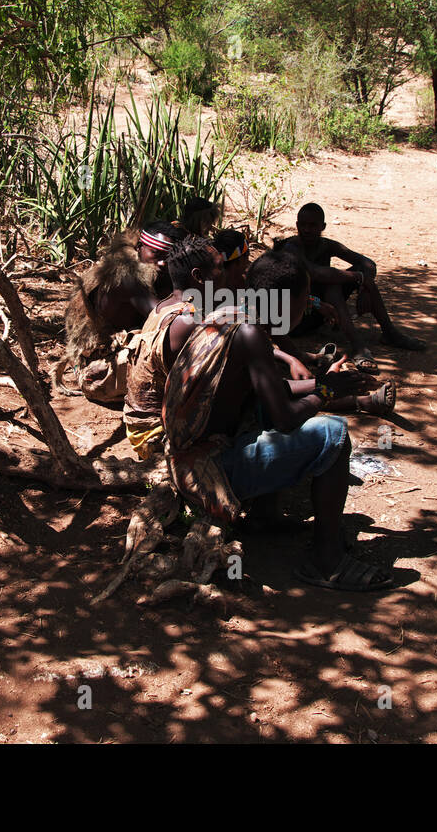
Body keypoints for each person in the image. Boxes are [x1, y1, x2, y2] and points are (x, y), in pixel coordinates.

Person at [161, 249, 396, 591]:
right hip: (207, 470)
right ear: (288, 304)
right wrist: (325, 394)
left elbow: (269, 390)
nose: (305, 309)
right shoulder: (250, 335)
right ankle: (327, 562)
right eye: (304, 301)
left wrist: (323, 385)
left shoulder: (229, 314)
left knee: (266, 407)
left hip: (190, 454)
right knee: (334, 434)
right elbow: (285, 419)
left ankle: (264, 518)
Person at [211, 227, 395, 415]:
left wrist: (314, 303)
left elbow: (267, 318)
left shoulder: (243, 282)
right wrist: (290, 358)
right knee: (278, 391)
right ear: (240, 260)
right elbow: (251, 341)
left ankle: (356, 398)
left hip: (251, 356)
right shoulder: (217, 298)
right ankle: (356, 400)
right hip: (233, 383)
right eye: (246, 258)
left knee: (283, 381)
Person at [277, 202, 425, 374]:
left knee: (349, 278)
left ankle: (389, 332)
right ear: (297, 225)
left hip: (320, 313)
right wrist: (360, 279)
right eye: (303, 225)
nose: (307, 230)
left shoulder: (326, 245)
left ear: (323, 226)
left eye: (313, 225)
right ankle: (358, 346)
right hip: (294, 320)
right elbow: (316, 273)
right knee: (334, 284)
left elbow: (368, 263)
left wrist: (364, 287)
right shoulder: (290, 248)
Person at [55, 220, 184, 401]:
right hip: (99, 375)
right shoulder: (127, 278)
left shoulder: (150, 270)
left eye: (169, 257)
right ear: (139, 247)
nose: (163, 263)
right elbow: (164, 319)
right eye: (156, 253)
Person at [123, 235, 223, 461]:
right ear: (199, 276)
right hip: (155, 435)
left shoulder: (167, 304)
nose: (224, 273)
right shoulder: (188, 321)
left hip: (138, 424)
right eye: (220, 267)